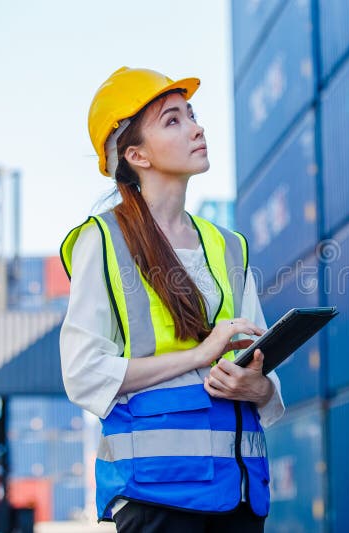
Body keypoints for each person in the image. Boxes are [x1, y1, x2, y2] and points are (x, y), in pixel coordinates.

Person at [58, 67, 285, 532]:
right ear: (136, 154)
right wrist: (198, 356)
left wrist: (258, 388)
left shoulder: (228, 246)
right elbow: (83, 373)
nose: (197, 129)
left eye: (192, 115)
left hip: (240, 497)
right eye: (173, 121)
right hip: (157, 496)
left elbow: (263, 372)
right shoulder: (103, 241)